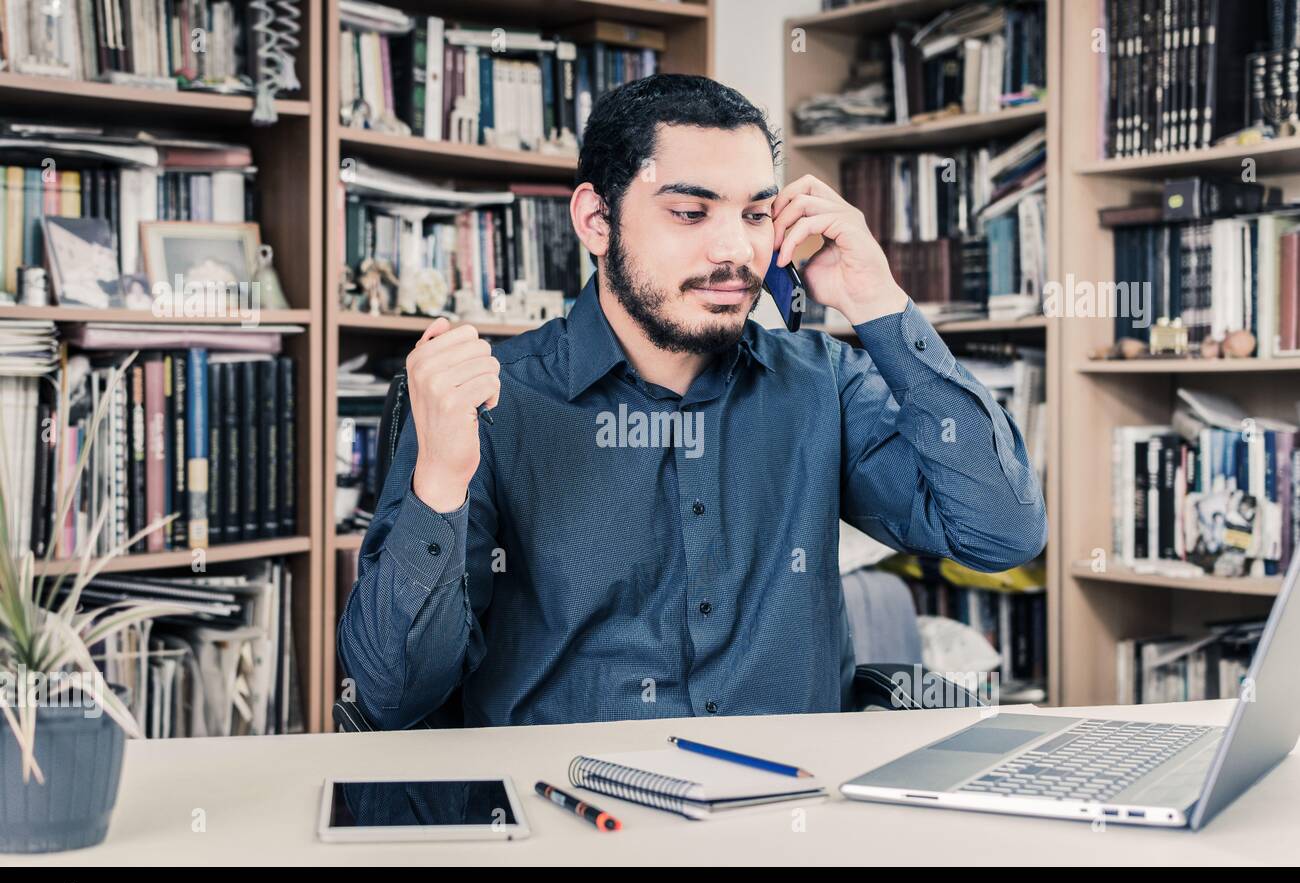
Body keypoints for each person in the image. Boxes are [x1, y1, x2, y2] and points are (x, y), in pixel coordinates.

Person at [338, 74, 1048, 730]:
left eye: (755, 214)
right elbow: (393, 694)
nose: (733, 249)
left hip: (786, 814)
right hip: (573, 819)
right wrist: (440, 484)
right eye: (689, 212)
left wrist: (879, 303)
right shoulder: (491, 401)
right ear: (595, 219)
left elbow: (1001, 534)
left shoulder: (823, 382)